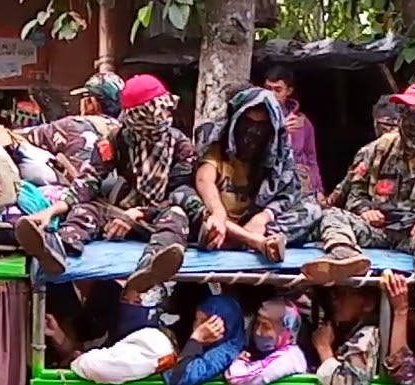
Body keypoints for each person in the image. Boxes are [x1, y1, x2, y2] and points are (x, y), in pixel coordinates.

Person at [303, 81, 415, 344]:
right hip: (378, 231)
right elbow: (354, 192)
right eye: (405, 110)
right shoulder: (377, 150)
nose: (408, 118)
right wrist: (363, 210)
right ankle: (343, 255)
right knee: (331, 215)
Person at [16, 74, 196, 292]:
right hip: (120, 213)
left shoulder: (181, 146)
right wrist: (51, 212)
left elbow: (181, 192)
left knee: (177, 215)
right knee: (87, 208)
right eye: (159, 110)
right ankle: (56, 248)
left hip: (159, 214)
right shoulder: (116, 139)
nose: (165, 116)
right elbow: (88, 182)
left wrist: (139, 214)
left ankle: (150, 268)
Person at [192, 87, 322, 261]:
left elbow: (287, 194)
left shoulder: (278, 157)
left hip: (254, 223)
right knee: (185, 200)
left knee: (311, 211)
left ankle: (240, 239)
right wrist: (218, 212)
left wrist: (263, 217)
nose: (252, 134)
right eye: (247, 124)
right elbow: (204, 179)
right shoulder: (217, 146)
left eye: (261, 127)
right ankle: (253, 241)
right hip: (216, 219)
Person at [28, 71, 125, 177]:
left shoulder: (73, 125)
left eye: (82, 98)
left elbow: (24, 137)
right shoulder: (122, 129)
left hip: (79, 190)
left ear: (91, 102)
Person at [325, 95, 400, 208]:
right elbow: (351, 182)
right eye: (387, 125)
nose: (391, 131)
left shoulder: (370, 150)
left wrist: (328, 204)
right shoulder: (370, 151)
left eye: (394, 126)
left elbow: (346, 187)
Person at [263, 65, 323, 200]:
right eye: (268, 89)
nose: (272, 94)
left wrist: (318, 189)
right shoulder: (255, 117)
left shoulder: (302, 122)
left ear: (288, 91)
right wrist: (281, 132)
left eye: (278, 90)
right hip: (268, 183)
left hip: (300, 183)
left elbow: (311, 158)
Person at [314, 285, 380, 385]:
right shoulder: (347, 331)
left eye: (343, 294)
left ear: (369, 303)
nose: (335, 301)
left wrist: (323, 347)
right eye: (334, 295)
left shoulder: (367, 335)